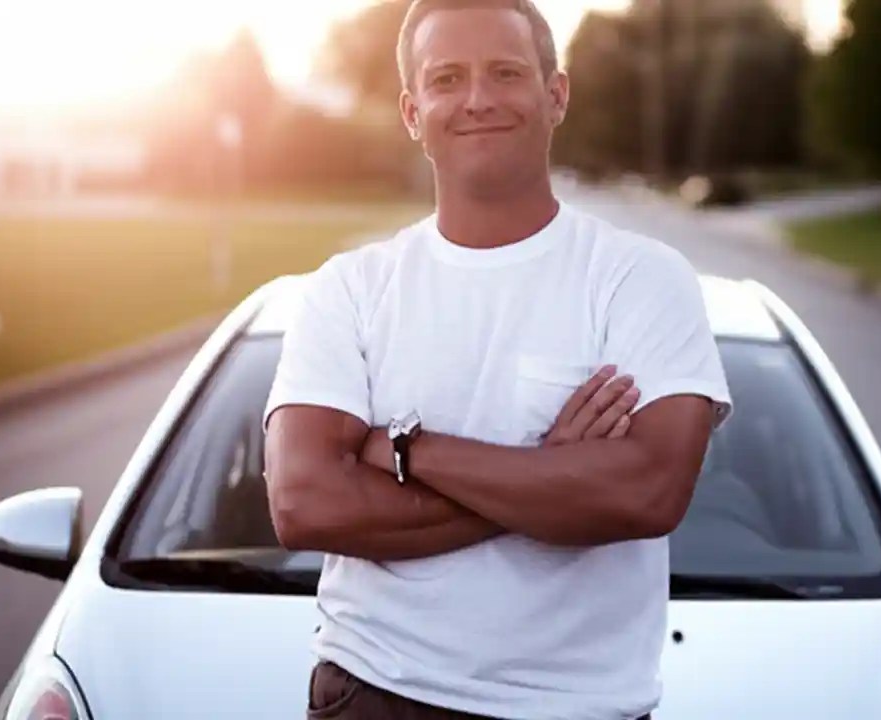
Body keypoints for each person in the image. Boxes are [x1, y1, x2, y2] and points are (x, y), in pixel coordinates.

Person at [261, 1, 732, 718]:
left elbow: (648, 492)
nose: (477, 99)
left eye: (505, 73)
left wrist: (407, 449)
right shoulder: (347, 289)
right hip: (376, 694)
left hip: (579, 707)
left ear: (556, 95)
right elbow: (302, 503)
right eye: (447, 78)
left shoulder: (642, 278)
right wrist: (548, 479)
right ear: (413, 112)